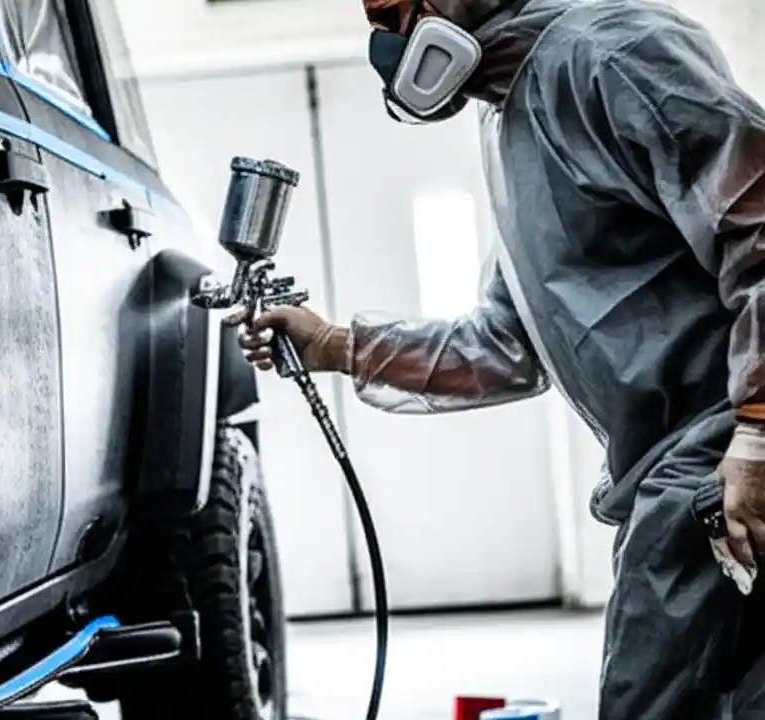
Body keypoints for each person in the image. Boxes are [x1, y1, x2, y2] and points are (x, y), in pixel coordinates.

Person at [232, 0, 765, 716]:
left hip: (719, 452)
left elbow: (757, 221)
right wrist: (336, 346)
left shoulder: (611, 54)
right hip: (682, 473)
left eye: (399, 12)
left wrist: (758, 430)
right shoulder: (511, 118)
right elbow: (507, 345)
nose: (391, 38)